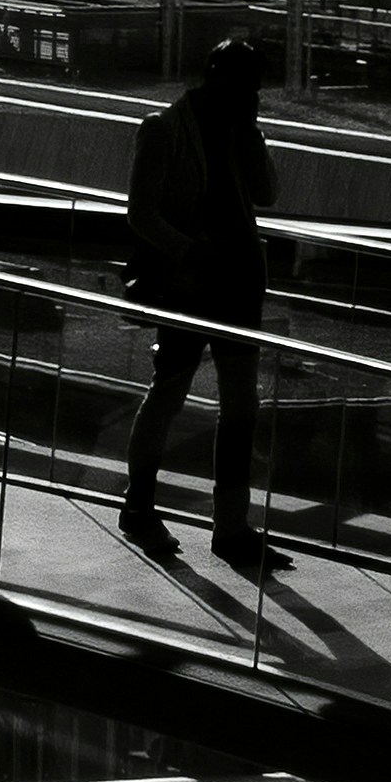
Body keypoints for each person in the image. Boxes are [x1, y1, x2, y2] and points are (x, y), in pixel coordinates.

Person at [120, 37, 285, 571]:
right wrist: (190, 251)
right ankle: (138, 504)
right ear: (218, 78)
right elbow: (141, 213)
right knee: (169, 391)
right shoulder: (165, 128)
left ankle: (232, 526)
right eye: (247, 86)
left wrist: (253, 134)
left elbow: (267, 195)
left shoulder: (242, 131)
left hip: (239, 280)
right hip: (191, 281)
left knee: (242, 405)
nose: (252, 96)